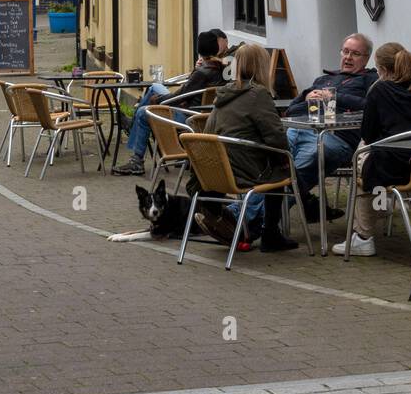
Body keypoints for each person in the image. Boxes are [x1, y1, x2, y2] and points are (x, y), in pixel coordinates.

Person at [193, 42, 302, 253]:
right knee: (283, 170)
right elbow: (276, 137)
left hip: (213, 170)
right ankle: (271, 234)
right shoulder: (258, 94)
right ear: (262, 65)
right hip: (240, 170)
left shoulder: (223, 93)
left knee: (280, 166)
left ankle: (246, 225)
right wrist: (285, 158)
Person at [333, 42, 411, 258]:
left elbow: (369, 135)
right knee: (367, 160)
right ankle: (379, 212)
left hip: (390, 165)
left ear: (381, 69)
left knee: (360, 162)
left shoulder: (379, 90)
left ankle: (363, 236)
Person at [114, 29, 227, 177]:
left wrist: (159, 101)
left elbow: (181, 96)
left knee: (144, 112)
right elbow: (188, 91)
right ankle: (132, 123)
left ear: (200, 50)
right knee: (155, 87)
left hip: (189, 116)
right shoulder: (221, 68)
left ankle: (137, 160)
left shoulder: (202, 72)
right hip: (202, 113)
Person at [285, 34, 376, 209]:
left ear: (366, 59)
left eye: (355, 54)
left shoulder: (370, 81)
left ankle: (248, 217)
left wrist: (336, 97)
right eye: (346, 51)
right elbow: (290, 111)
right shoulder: (323, 80)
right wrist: (306, 97)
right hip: (299, 130)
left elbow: (371, 107)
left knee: (297, 170)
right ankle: (300, 204)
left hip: (335, 137)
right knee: (276, 162)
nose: (348, 57)